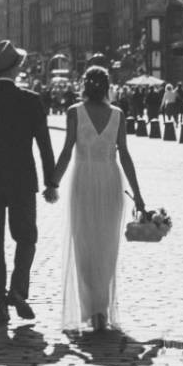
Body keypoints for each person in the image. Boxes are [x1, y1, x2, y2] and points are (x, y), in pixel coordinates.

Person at [0, 40, 59, 326]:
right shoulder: (30, 100)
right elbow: (44, 145)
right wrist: (51, 181)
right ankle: (18, 290)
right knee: (26, 237)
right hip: (21, 181)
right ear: (17, 68)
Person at [48, 63, 148, 335]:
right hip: (111, 181)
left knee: (83, 244)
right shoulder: (118, 114)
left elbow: (67, 152)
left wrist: (53, 182)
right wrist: (137, 194)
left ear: (84, 86)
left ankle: (92, 308)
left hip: (83, 181)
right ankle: (101, 310)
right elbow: (125, 154)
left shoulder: (74, 113)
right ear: (107, 87)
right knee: (107, 245)